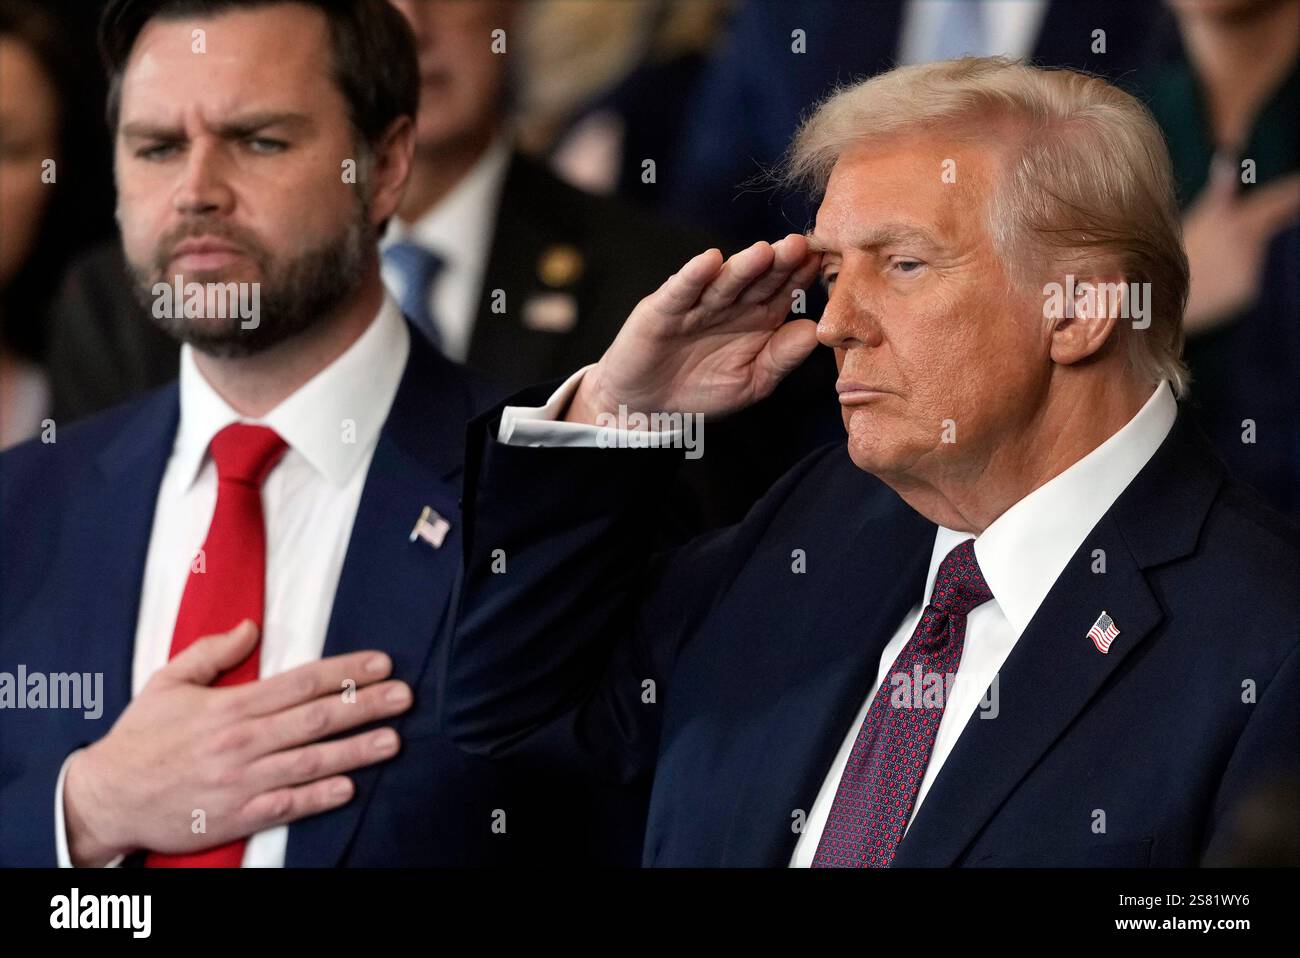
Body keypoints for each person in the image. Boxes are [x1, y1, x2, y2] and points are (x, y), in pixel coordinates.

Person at [443, 57, 1300, 867]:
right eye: (831, 273)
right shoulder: (815, 524)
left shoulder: (1270, 643)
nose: (834, 323)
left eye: (903, 264)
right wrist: (618, 416)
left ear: (1079, 312)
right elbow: (515, 717)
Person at [0, 0, 601, 868]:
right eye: (159, 148)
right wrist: (82, 811)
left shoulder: (546, 494)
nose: (198, 189)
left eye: (259, 140)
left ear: (386, 164)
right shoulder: (20, 507)